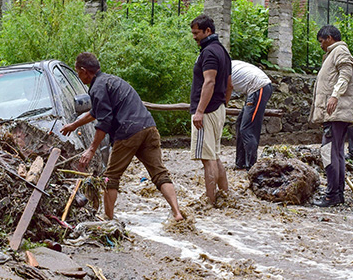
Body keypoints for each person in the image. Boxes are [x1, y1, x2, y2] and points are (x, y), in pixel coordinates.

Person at [60, 52, 184, 221]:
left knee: (110, 177)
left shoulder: (97, 88)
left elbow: (104, 121)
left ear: (84, 71)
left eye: (77, 72)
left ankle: (108, 219)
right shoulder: (112, 81)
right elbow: (95, 113)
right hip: (149, 127)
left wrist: (91, 150)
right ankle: (177, 213)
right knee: (159, 173)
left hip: (128, 132)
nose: (78, 75)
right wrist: (73, 126)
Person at [310, 25, 353, 207]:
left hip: (336, 112)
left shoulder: (340, 51)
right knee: (336, 152)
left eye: (321, 42)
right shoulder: (335, 53)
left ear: (329, 38)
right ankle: (337, 194)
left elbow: (345, 75)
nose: (321, 45)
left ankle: (332, 195)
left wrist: (334, 96)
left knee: (328, 152)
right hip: (336, 113)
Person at [189, 14, 230, 205]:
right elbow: (229, 83)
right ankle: (226, 198)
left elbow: (209, 81)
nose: (194, 36)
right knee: (214, 155)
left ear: (208, 31)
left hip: (206, 111)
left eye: (196, 33)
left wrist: (199, 111)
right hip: (218, 108)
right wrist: (224, 103)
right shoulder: (222, 51)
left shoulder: (209, 53)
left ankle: (210, 202)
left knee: (207, 159)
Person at [228, 59, 273, 170]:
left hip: (259, 87)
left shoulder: (221, 69)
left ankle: (252, 166)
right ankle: (240, 162)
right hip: (255, 88)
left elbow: (227, 88)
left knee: (247, 128)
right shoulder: (225, 64)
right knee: (240, 124)